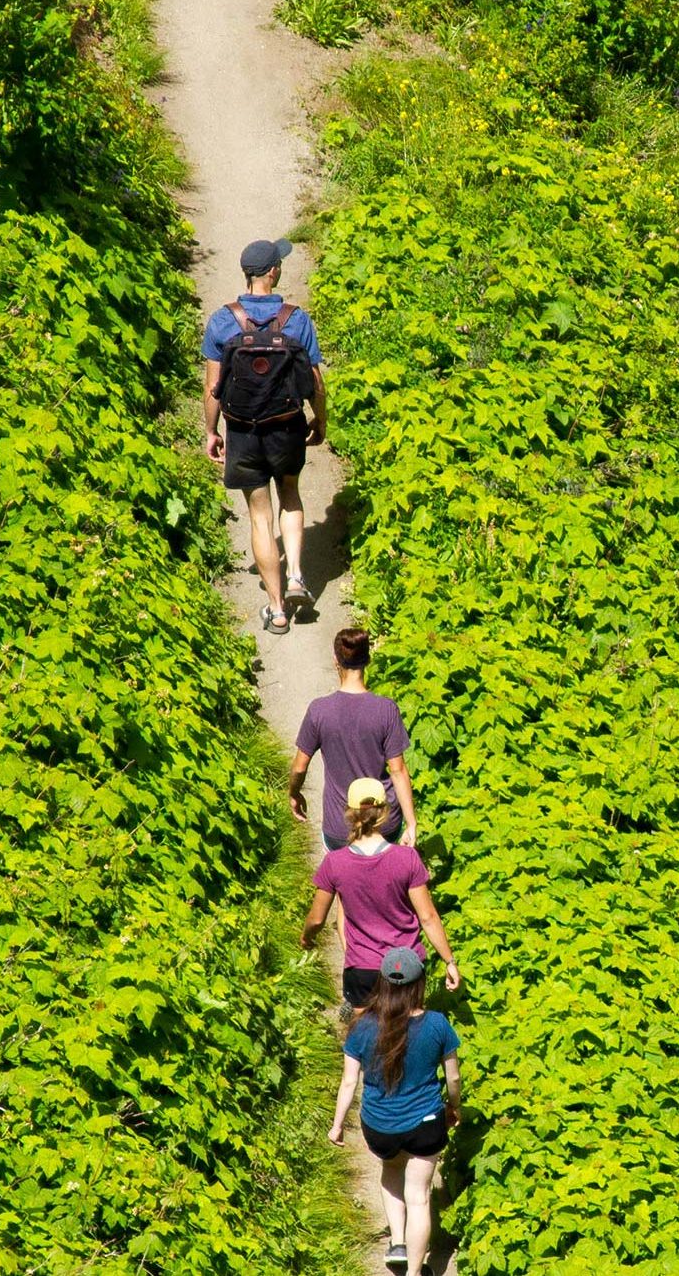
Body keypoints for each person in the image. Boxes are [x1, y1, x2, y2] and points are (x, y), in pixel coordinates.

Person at [202, 238, 325, 635]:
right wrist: (319, 420)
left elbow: (212, 386)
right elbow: (317, 383)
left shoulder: (224, 321)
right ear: (273, 272)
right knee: (290, 495)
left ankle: (276, 610)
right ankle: (296, 577)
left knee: (259, 515)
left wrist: (211, 430)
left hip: (243, 430)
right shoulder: (296, 320)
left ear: (248, 274)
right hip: (287, 426)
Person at [329, 947, 462, 1276]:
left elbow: (348, 1083)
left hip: (380, 1126)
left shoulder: (361, 1027)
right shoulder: (437, 1024)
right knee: (419, 1196)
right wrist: (453, 1107)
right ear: (420, 984)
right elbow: (453, 1077)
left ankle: (398, 1242)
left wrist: (337, 1126)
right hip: (426, 1123)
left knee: (391, 1173)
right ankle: (416, 1272)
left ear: (382, 983)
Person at [302, 779, 462, 1008]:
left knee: (363, 1039)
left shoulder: (334, 863)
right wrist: (450, 961)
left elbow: (317, 919)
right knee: (406, 1036)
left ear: (348, 813)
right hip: (405, 965)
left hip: (362, 968)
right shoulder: (407, 859)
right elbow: (428, 917)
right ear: (384, 813)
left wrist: (306, 937)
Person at [292, 628, 417, 850]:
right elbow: (398, 770)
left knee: (343, 879)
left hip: (341, 827)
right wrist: (411, 823)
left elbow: (300, 768)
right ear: (368, 660)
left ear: (335, 661)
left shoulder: (319, 710)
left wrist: (294, 793)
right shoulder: (386, 709)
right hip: (382, 823)